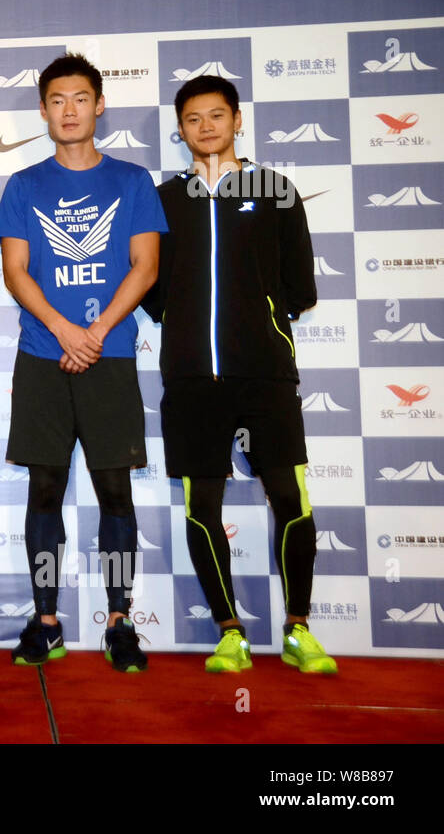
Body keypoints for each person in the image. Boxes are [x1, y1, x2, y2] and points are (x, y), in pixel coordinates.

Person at [143, 74, 337, 675]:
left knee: (290, 499)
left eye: (216, 115)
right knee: (203, 504)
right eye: (193, 118)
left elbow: (300, 286)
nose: (206, 127)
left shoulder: (276, 191)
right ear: (180, 129)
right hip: (193, 380)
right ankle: (230, 633)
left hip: (266, 377)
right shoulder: (165, 199)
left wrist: (263, 318)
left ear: (237, 120)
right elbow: (153, 286)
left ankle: (299, 629)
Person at [0, 54, 165, 674]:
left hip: (111, 356)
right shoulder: (24, 186)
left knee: (115, 493)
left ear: (98, 105)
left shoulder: (133, 181)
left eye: (81, 99)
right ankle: (45, 620)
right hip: (42, 357)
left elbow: (145, 267)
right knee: (45, 491)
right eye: (57, 100)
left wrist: (94, 332)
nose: (69, 110)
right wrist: (66, 330)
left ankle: (120, 620)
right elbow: (15, 272)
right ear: (43, 110)